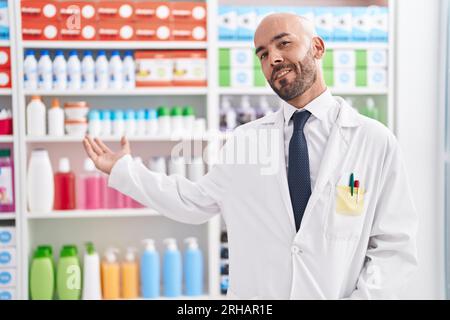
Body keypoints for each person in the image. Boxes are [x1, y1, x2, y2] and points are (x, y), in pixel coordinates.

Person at [83, 13, 418, 299]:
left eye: (283, 44)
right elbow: (193, 201)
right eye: (262, 53)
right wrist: (125, 171)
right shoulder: (244, 141)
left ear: (317, 48)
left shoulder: (373, 141)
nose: (272, 58)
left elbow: (394, 247)